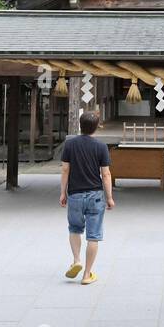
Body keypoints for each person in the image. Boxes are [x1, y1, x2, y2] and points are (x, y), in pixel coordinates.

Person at [59, 111, 114, 286]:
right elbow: (105, 174)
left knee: (74, 229)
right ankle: (87, 274)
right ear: (96, 127)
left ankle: (76, 260)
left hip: (75, 194)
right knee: (93, 235)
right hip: (95, 195)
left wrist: (63, 192)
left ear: (80, 125)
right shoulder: (101, 147)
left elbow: (65, 170)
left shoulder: (70, 144)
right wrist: (110, 197)